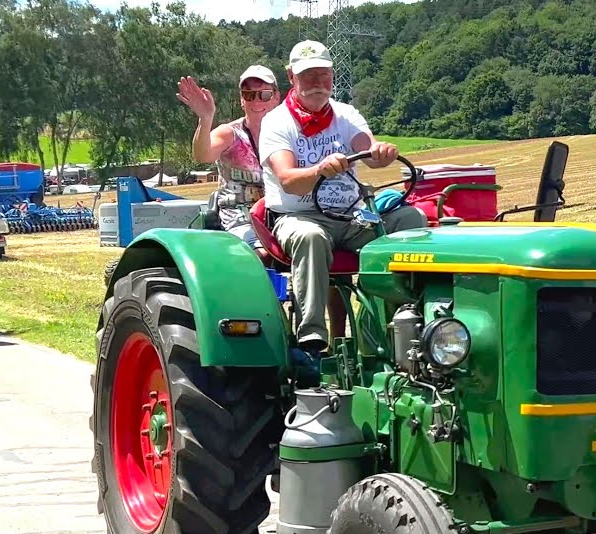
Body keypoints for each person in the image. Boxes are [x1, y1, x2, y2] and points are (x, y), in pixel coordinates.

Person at [258, 40, 427, 357]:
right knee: (310, 237)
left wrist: (382, 153)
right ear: (291, 76)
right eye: (308, 76)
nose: (317, 83)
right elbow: (288, 181)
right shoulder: (277, 121)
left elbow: (370, 151)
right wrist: (320, 170)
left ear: (332, 76)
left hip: (351, 218)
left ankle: (404, 323)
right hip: (298, 216)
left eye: (324, 75)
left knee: (410, 220)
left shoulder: (346, 115)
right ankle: (312, 340)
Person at [176, 65, 280, 257]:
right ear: (242, 100)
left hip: (279, 214)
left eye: (264, 94)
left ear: (276, 98)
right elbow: (203, 155)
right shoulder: (230, 133)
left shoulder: (287, 134)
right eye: (249, 95)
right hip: (240, 217)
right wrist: (205, 119)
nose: (256, 100)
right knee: (263, 255)